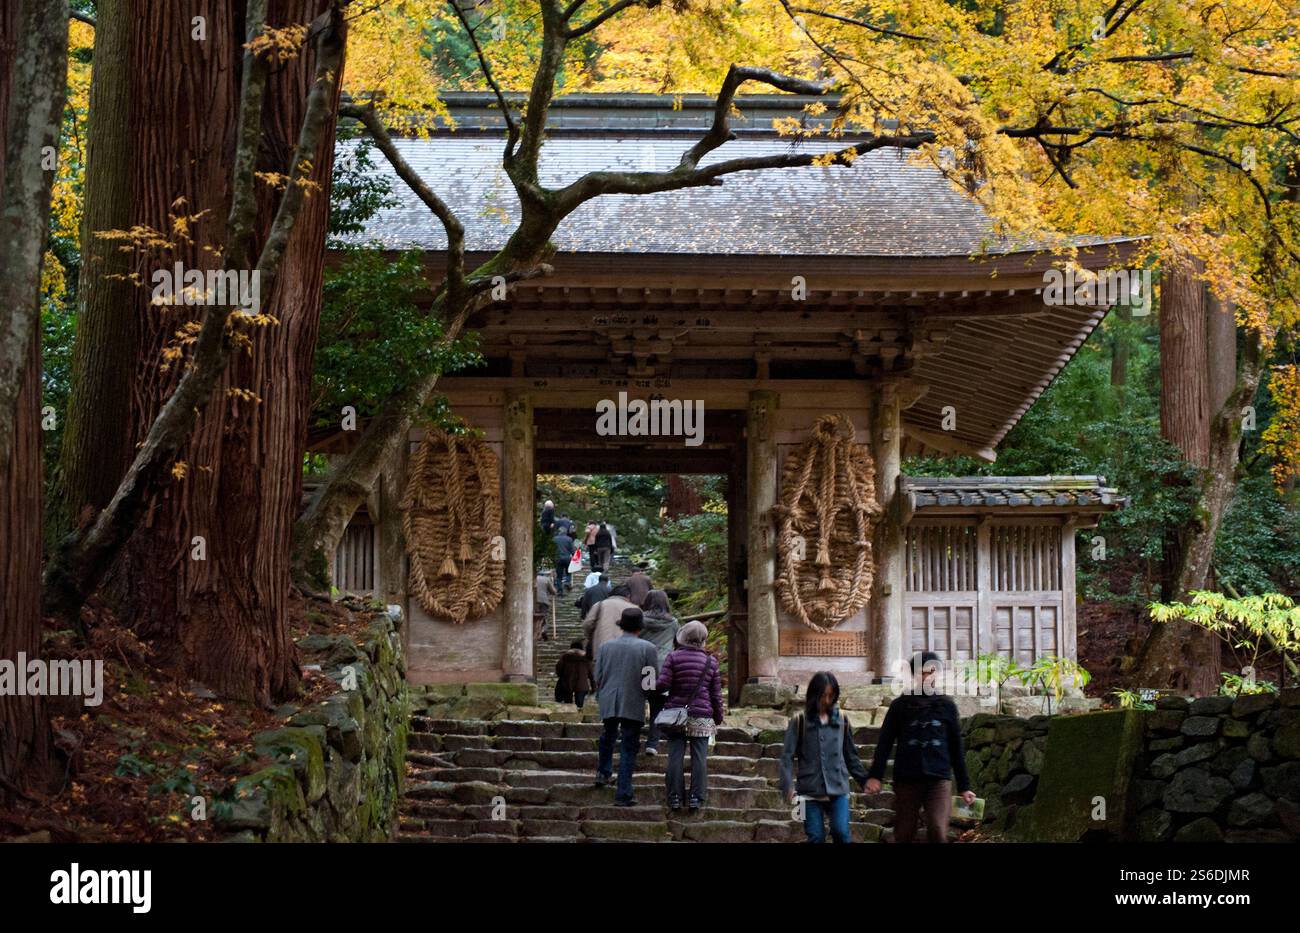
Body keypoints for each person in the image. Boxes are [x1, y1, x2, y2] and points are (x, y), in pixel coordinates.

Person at [866, 651, 974, 844]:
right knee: (904, 832)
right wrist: (875, 775)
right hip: (907, 779)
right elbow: (885, 742)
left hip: (939, 780)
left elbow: (956, 747)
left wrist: (964, 787)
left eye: (931, 672)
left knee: (938, 829)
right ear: (913, 675)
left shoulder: (947, 706)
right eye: (920, 672)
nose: (926, 677)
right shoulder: (900, 706)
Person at [779, 671, 868, 843]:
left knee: (841, 833)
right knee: (815, 836)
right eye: (823, 696)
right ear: (814, 695)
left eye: (831, 696)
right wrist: (787, 785)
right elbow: (786, 757)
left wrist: (864, 780)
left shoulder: (842, 719)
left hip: (838, 787)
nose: (827, 700)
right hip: (809, 790)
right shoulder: (799, 721)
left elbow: (851, 756)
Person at [593, 608, 659, 806]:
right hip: (633, 698)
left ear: (621, 625)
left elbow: (598, 676)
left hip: (609, 697)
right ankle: (623, 792)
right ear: (640, 627)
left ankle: (602, 772)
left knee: (608, 735)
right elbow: (650, 680)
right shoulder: (648, 648)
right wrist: (647, 697)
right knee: (629, 745)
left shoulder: (605, 647)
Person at [656, 620, 723, 811]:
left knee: (675, 756)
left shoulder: (673, 657)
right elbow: (716, 695)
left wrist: (648, 682)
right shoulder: (711, 662)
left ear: (683, 637)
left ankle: (675, 797)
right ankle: (696, 798)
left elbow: (663, 685)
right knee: (700, 758)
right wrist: (717, 717)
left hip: (676, 716)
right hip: (702, 716)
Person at [639, 589, 680, 755]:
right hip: (664, 667)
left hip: (643, 665)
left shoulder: (640, 620)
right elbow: (678, 642)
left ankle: (632, 738)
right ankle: (652, 744)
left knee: (638, 702)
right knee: (658, 707)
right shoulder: (673, 622)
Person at [582, 583, 637, 659]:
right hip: (628, 649)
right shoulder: (635, 608)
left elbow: (588, 623)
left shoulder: (599, 605)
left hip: (601, 645)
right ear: (628, 596)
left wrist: (590, 636)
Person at [555, 639, 594, 709]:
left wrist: (563, 676)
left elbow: (559, 669)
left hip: (567, 684)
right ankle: (579, 716)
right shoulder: (586, 659)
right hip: (582, 685)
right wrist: (593, 687)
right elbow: (591, 675)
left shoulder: (565, 657)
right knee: (580, 706)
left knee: (568, 705)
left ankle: (569, 716)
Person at [533, 568, 556, 641]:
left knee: (534, 616)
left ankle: (536, 632)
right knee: (543, 616)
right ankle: (542, 630)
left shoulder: (533, 578)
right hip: (543, 601)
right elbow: (553, 591)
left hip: (533, 600)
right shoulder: (546, 579)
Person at [552, 527, 576, 594]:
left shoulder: (554, 539)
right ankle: (567, 582)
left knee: (559, 575)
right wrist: (574, 556)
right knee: (569, 572)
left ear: (559, 532)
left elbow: (552, 549)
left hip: (558, 558)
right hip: (567, 558)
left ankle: (559, 590)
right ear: (566, 532)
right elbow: (572, 550)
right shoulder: (569, 539)